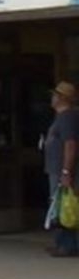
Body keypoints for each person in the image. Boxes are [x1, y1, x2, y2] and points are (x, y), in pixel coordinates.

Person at [45, 81, 79, 257]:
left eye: (54, 95)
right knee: (58, 206)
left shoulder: (67, 117)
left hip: (61, 169)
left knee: (63, 206)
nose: (52, 98)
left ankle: (67, 244)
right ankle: (62, 242)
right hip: (55, 167)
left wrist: (66, 170)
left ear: (61, 98)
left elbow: (70, 144)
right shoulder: (61, 116)